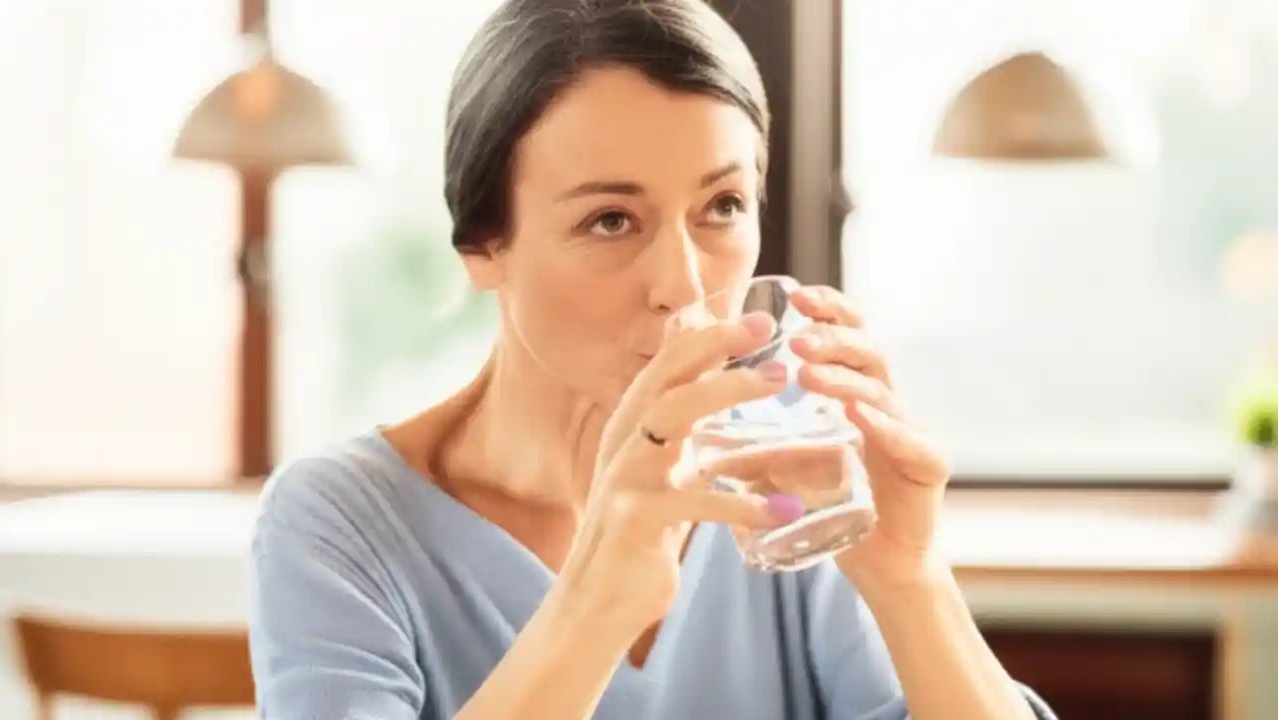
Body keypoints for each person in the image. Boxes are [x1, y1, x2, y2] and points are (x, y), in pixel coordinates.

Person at [247, 1, 1057, 718]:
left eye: (722, 207)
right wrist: (595, 602)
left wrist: (910, 580)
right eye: (610, 219)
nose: (683, 284)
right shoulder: (339, 522)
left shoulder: (788, 488)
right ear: (483, 245)